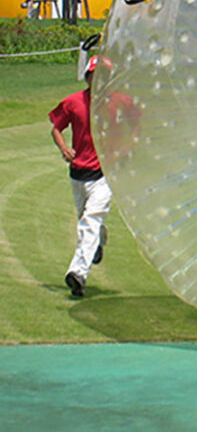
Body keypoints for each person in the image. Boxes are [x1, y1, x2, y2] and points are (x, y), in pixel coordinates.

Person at [49, 55, 112, 297]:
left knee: (89, 221)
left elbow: (135, 124)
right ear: (87, 77)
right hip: (78, 173)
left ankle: (78, 274)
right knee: (86, 220)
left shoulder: (118, 103)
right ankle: (96, 242)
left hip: (104, 175)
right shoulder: (73, 102)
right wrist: (64, 148)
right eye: (93, 76)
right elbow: (56, 127)